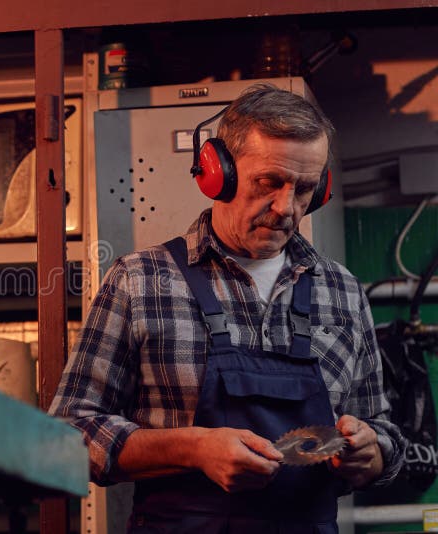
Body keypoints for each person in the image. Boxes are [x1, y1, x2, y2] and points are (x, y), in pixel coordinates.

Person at [49, 84, 405, 533]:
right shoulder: (139, 281)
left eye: (304, 190)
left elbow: (383, 433)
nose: (286, 208)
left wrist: (372, 452)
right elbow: (67, 437)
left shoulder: (343, 291)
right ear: (218, 174)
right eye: (269, 183)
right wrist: (192, 449)